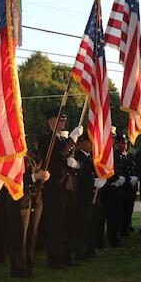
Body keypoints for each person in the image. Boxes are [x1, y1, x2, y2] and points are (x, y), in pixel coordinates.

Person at [36, 109, 82, 269]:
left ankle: (66, 257)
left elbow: (67, 156)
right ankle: (54, 260)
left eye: (64, 119)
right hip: (54, 188)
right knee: (55, 225)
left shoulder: (62, 139)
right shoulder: (44, 139)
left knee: (68, 224)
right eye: (60, 119)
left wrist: (75, 164)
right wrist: (72, 139)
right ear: (51, 121)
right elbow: (59, 153)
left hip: (68, 186)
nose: (63, 122)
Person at [7, 152, 48, 278]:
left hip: (35, 197)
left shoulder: (31, 156)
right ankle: (18, 268)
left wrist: (43, 176)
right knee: (20, 234)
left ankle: (29, 265)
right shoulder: (12, 157)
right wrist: (35, 177)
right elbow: (13, 178)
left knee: (32, 233)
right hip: (21, 199)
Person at [105, 134, 135, 246]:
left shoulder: (129, 156)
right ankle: (114, 236)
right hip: (116, 189)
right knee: (115, 214)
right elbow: (111, 170)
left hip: (127, 188)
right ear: (116, 143)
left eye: (126, 143)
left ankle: (124, 232)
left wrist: (133, 177)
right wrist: (115, 179)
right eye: (122, 143)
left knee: (127, 211)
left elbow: (132, 170)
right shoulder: (113, 155)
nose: (125, 145)